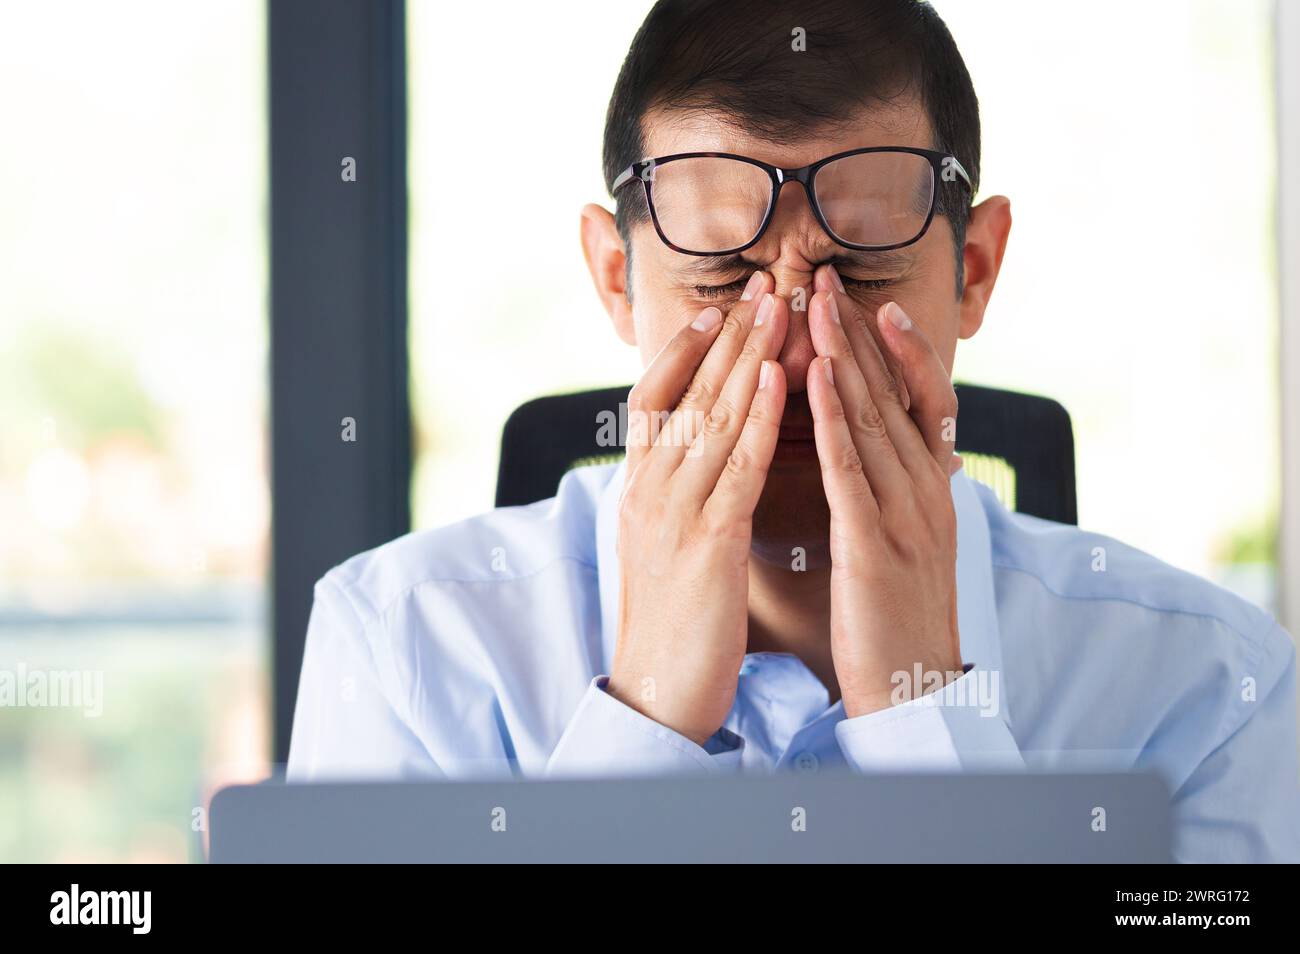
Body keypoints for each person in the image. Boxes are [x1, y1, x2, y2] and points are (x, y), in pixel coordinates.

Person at [287, 0, 1300, 862]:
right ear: (614, 277)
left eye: (859, 273)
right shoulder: (403, 647)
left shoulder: (1207, 688)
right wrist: (642, 713)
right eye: (722, 276)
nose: (795, 355)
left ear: (974, 271)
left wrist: (922, 717)